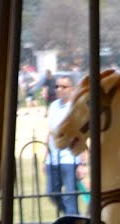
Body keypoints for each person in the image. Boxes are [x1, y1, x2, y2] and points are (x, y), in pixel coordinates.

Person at [44, 73, 79, 215]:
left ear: (72, 88)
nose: (59, 89)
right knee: (52, 193)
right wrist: (44, 158)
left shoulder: (76, 107)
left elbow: (79, 135)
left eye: (63, 86)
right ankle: (71, 217)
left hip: (69, 158)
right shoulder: (53, 106)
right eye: (57, 86)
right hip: (52, 158)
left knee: (71, 196)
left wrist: (82, 163)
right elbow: (50, 132)